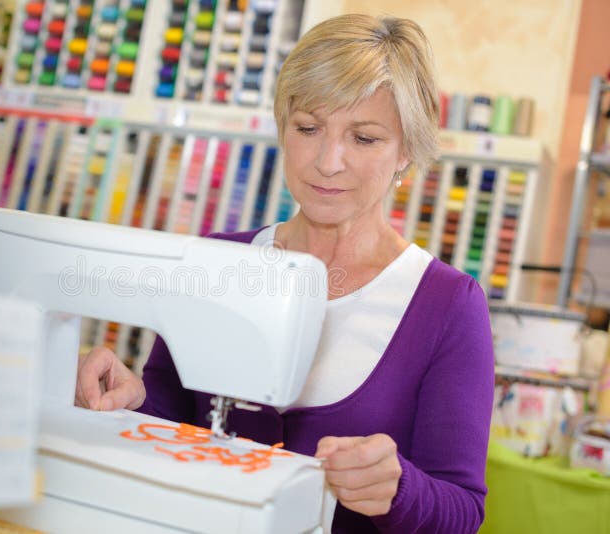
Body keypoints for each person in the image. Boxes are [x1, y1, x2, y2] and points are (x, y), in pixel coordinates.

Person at [76, 13, 494, 534]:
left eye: (363, 138)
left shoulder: (448, 305)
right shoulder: (217, 261)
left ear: (405, 150)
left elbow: (462, 511)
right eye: (308, 128)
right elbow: (171, 415)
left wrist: (400, 488)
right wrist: (131, 398)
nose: (328, 160)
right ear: (282, 126)